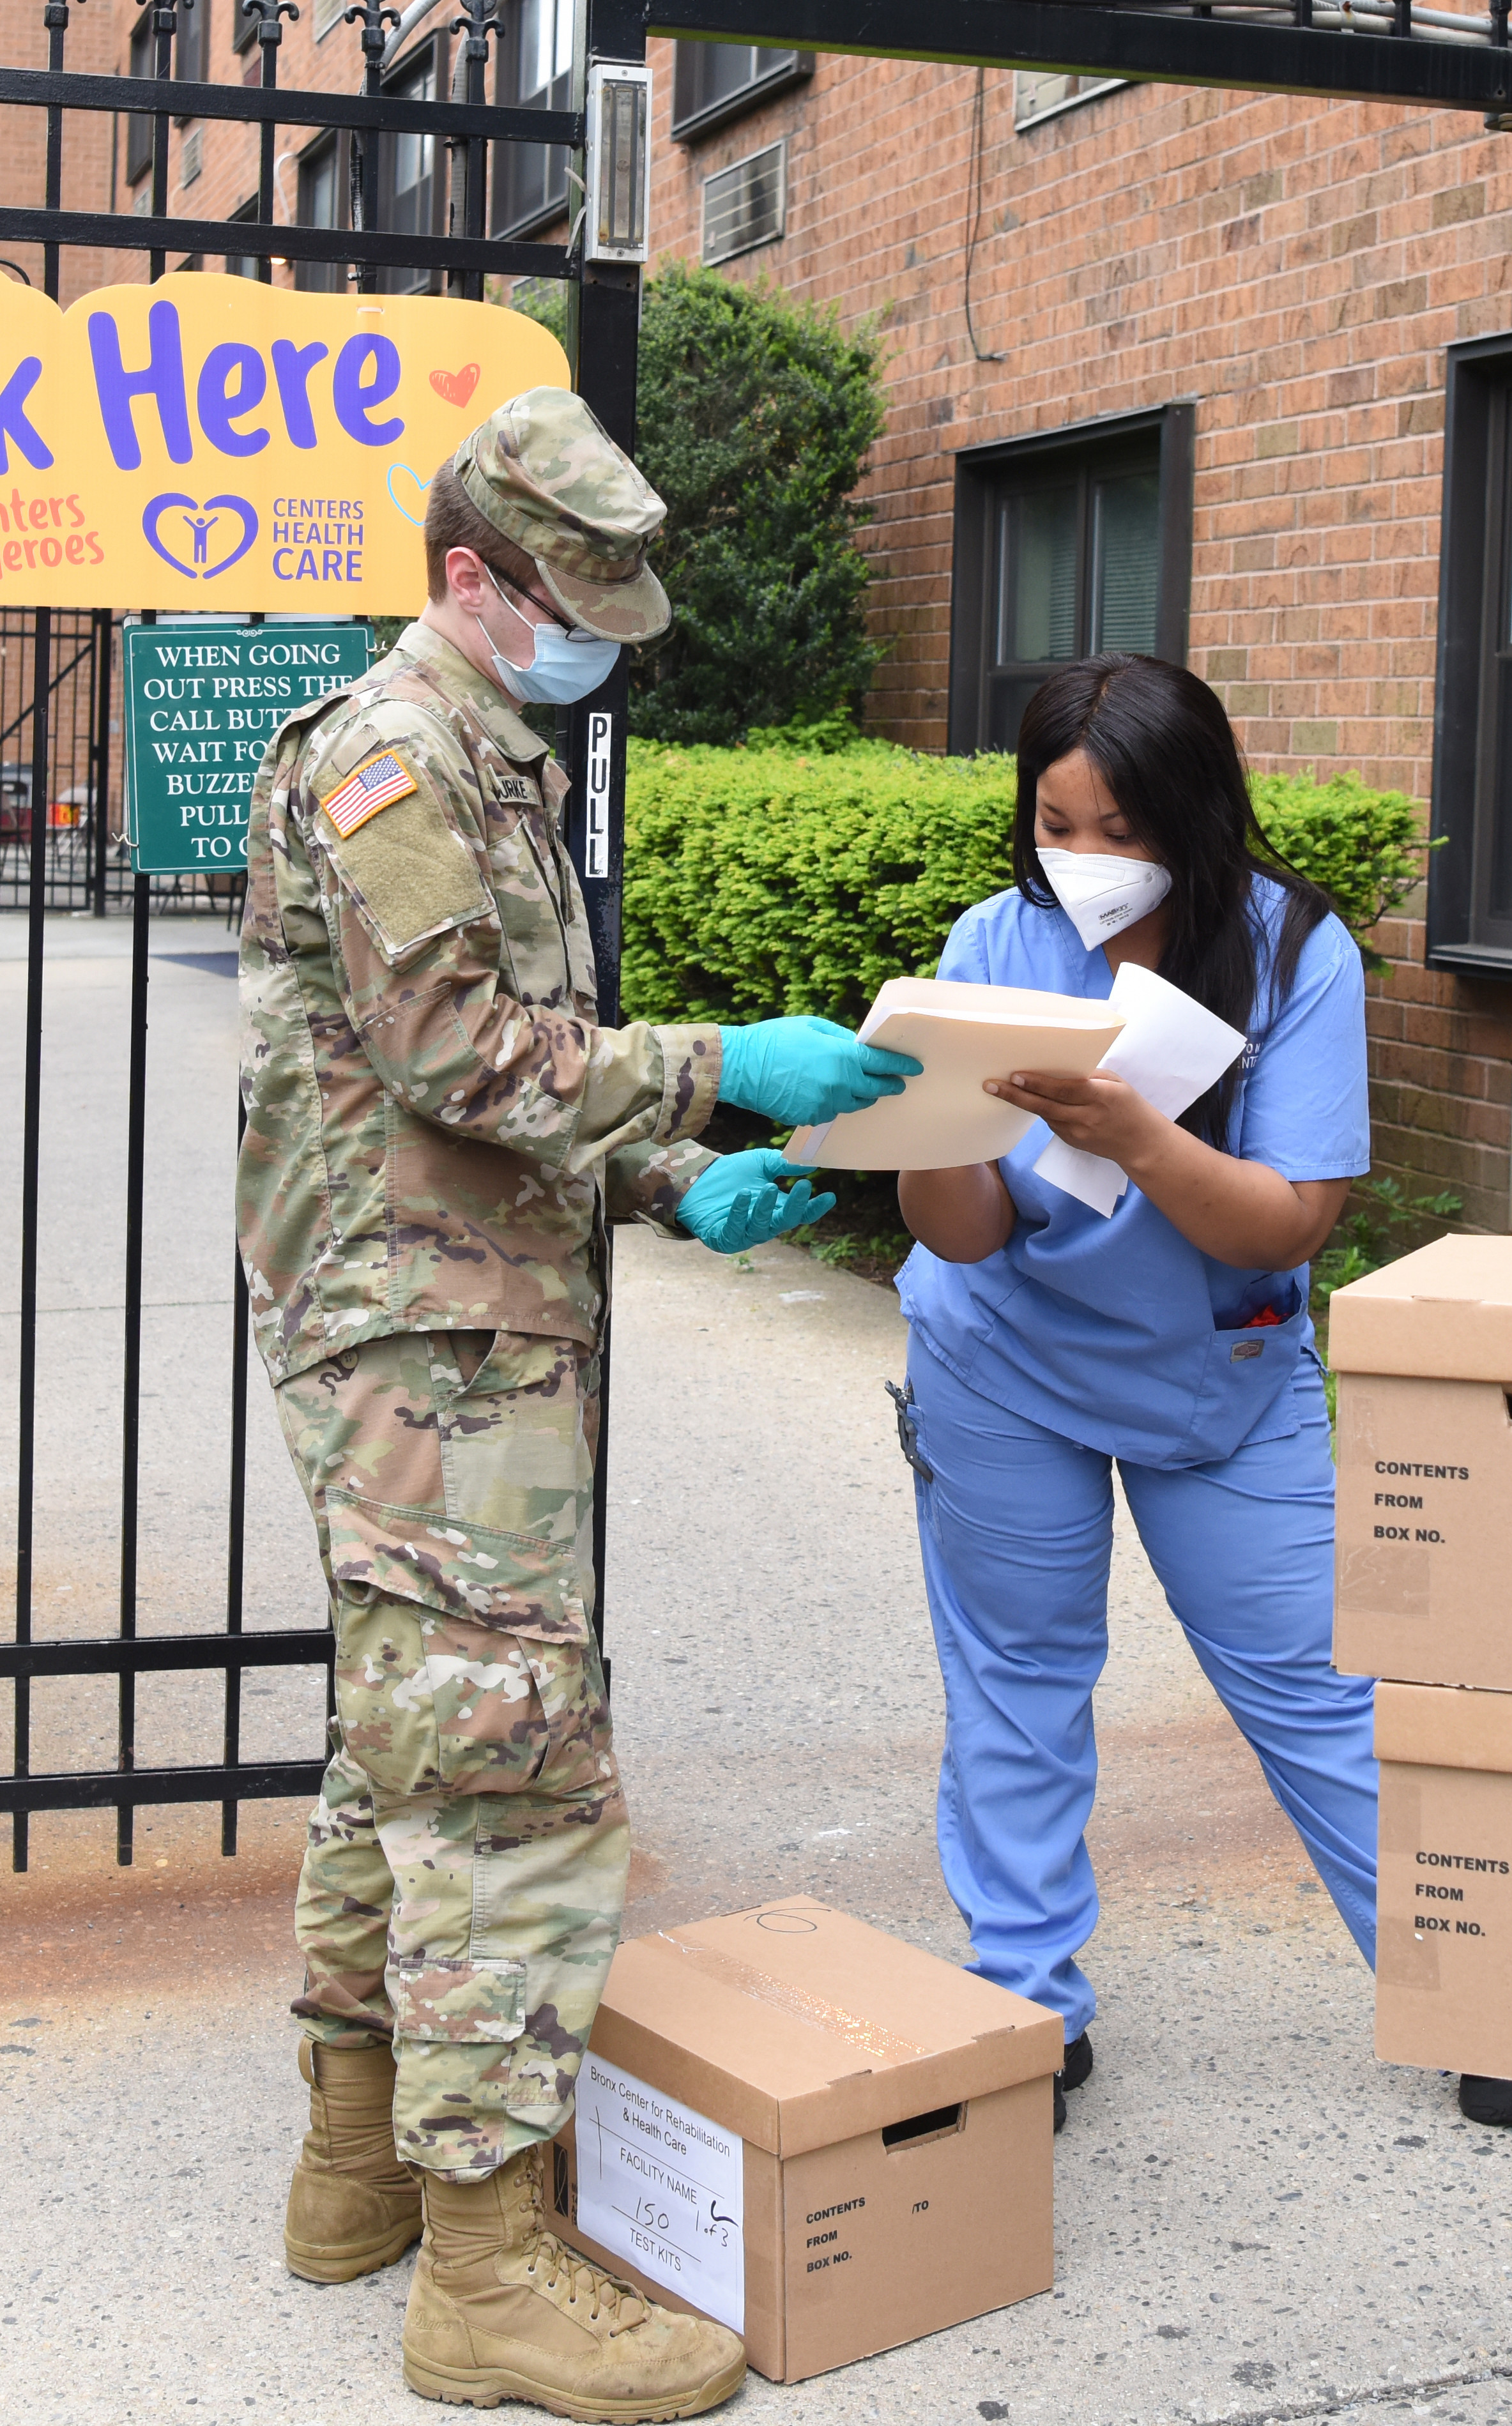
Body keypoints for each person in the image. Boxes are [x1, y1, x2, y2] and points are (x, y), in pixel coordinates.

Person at [239, 385, 915, 2423]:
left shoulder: (477, 748)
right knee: (512, 1778)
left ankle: (355, 2165)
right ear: (471, 574)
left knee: (408, 1745)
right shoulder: (394, 754)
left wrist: (669, 1178)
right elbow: (457, 1052)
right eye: (574, 588)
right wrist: (718, 1069)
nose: (603, 624)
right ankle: (489, 2269)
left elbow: (470, 1084)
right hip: (427, 1347)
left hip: (456, 1316)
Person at [890, 653, 1382, 2126]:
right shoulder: (995, 939)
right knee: (1017, 1682)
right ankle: (1023, 2004)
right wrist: (925, 1118)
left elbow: (1285, 1224)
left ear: (1192, 814)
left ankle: (1466, 1977)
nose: (1083, 862)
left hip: (1215, 1379)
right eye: (1055, 823)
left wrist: (1135, 1131)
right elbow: (965, 1232)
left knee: (1312, 1683)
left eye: (1119, 829)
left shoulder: (1295, 951)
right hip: (1002, 1364)